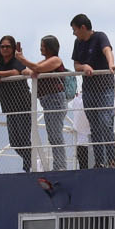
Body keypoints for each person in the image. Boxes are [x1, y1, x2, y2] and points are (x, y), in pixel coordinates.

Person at [70, 13, 115, 167]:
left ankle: (112, 159)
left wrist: (111, 64)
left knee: (105, 121)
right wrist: (84, 67)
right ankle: (99, 162)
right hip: (89, 90)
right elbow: (76, 65)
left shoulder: (100, 36)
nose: (74, 33)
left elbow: (107, 50)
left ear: (83, 27)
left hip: (105, 87)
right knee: (94, 126)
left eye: (75, 30)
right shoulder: (78, 43)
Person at [0, 35, 35, 171]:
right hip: (9, 106)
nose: (5, 49)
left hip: (22, 105)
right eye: (2, 46)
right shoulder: (0, 62)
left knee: (24, 138)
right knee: (14, 141)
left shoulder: (17, 60)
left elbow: (15, 71)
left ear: (13, 48)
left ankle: (29, 165)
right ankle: (31, 160)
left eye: (8, 46)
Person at [29, 35, 73, 168]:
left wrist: (21, 59)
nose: (40, 48)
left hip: (55, 100)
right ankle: (59, 165)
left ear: (49, 47)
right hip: (48, 102)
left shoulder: (55, 60)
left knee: (55, 135)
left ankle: (60, 166)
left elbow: (37, 68)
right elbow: (34, 68)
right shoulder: (45, 62)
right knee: (53, 135)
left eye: (43, 45)